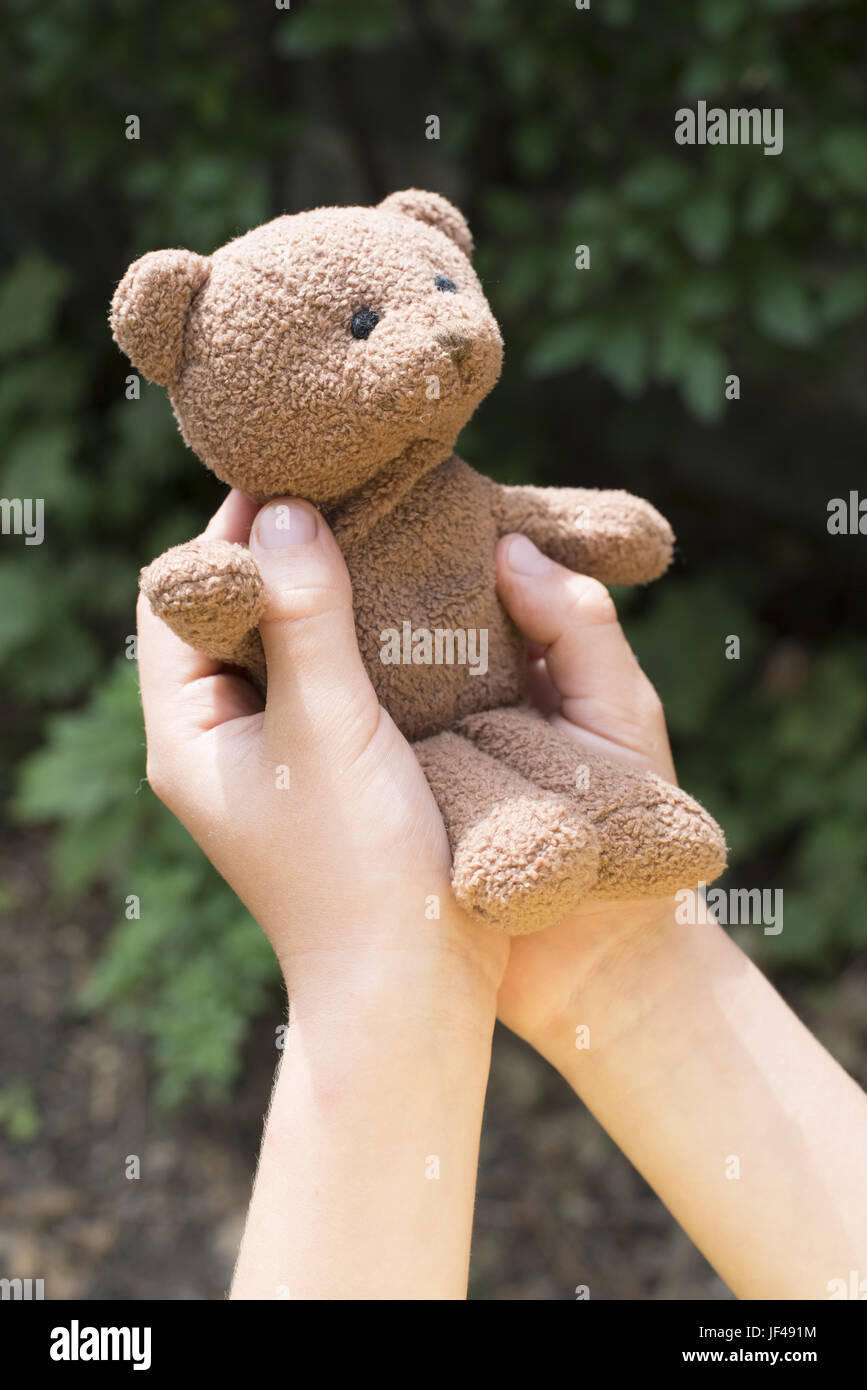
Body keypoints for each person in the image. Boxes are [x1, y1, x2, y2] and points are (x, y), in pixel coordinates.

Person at [138, 488, 867, 1301]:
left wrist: (638, 956)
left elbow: (563, 524)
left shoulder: (447, 492)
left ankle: (608, 849)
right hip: (462, 772)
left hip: (505, 727)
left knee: (549, 830)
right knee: (510, 833)